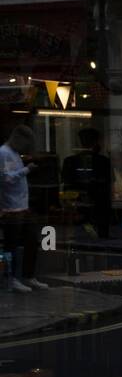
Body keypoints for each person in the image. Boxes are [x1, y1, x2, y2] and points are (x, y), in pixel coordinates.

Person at [0, 124, 50, 292]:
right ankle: (11, 278)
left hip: (22, 206)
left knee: (31, 240)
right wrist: (27, 170)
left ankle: (29, 276)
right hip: (10, 208)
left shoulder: (14, 153)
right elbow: (6, 179)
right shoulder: (4, 153)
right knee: (11, 244)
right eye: (24, 144)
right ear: (17, 138)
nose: (25, 148)